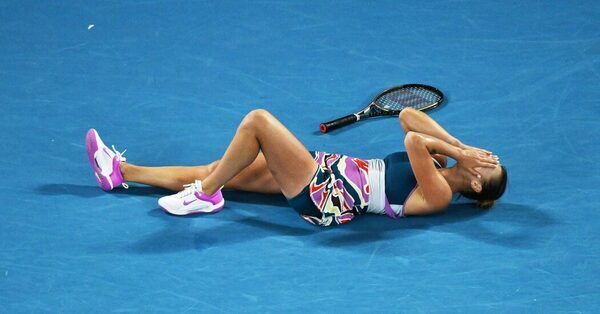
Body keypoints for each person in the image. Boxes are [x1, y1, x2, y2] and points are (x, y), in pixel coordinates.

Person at [85, 108, 507, 226]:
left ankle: (204, 195)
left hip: (328, 195)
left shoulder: (437, 195)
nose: (484, 156)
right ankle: (122, 172)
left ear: (474, 181)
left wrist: (460, 152)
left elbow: (413, 139)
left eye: (487, 164)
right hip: (324, 170)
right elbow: (407, 117)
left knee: (258, 122)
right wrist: (460, 145)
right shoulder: (440, 159)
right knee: (221, 165)